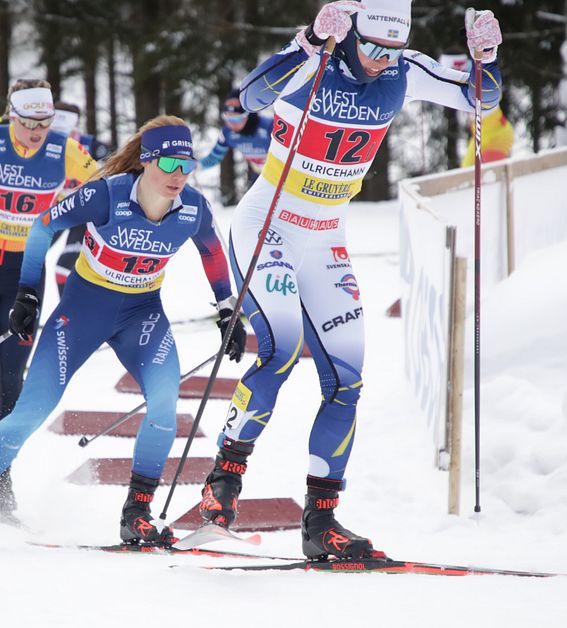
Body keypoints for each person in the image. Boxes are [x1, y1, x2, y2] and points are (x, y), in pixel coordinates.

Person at [198, 0, 502, 561]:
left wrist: (487, 57)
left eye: (391, 50)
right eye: (371, 47)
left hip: (325, 239)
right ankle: (223, 485)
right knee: (281, 350)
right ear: (353, 32)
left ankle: (322, 521)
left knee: (346, 380)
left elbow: (478, 97)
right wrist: (311, 42)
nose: (380, 61)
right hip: (269, 224)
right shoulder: (318, 60)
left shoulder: (405, 70)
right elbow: (253, 97)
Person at [0, 116, 246, 542]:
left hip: (142, 315)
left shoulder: (192, 209)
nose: (178, 175)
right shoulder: (106, 195)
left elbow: (212, 252)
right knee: (31, 411)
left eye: (186, 164)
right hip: (82, 312)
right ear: (147, 162)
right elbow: (42, 228)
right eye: (168, 164)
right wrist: (27, 293)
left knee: (165, 407)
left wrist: (228, 309)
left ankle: (138, 510)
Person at [0, 81, 96, 421]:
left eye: (45, 122)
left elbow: (105, 186)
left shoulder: (64, 149)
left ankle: (1, 467)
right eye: (29, 123)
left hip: (26, 272)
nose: (38, 131)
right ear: (13, 115)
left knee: (9, 374)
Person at [48, 101, 111, 297]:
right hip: (56, 210)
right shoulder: (43, 144)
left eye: (63, 128)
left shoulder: (89, 145)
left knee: (65, 266)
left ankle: (69, 318)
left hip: (83, 214)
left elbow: (116, 168)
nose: (59, 133)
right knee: (26, 260)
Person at [196, 90, 273, 186]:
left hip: (282, 173)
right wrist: (196, 166)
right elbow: (214, 157)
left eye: (237, 118)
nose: (232, 124)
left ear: (248, 115)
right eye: (228, 118)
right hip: (260, 175)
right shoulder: (227, 133)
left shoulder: (268, 127)